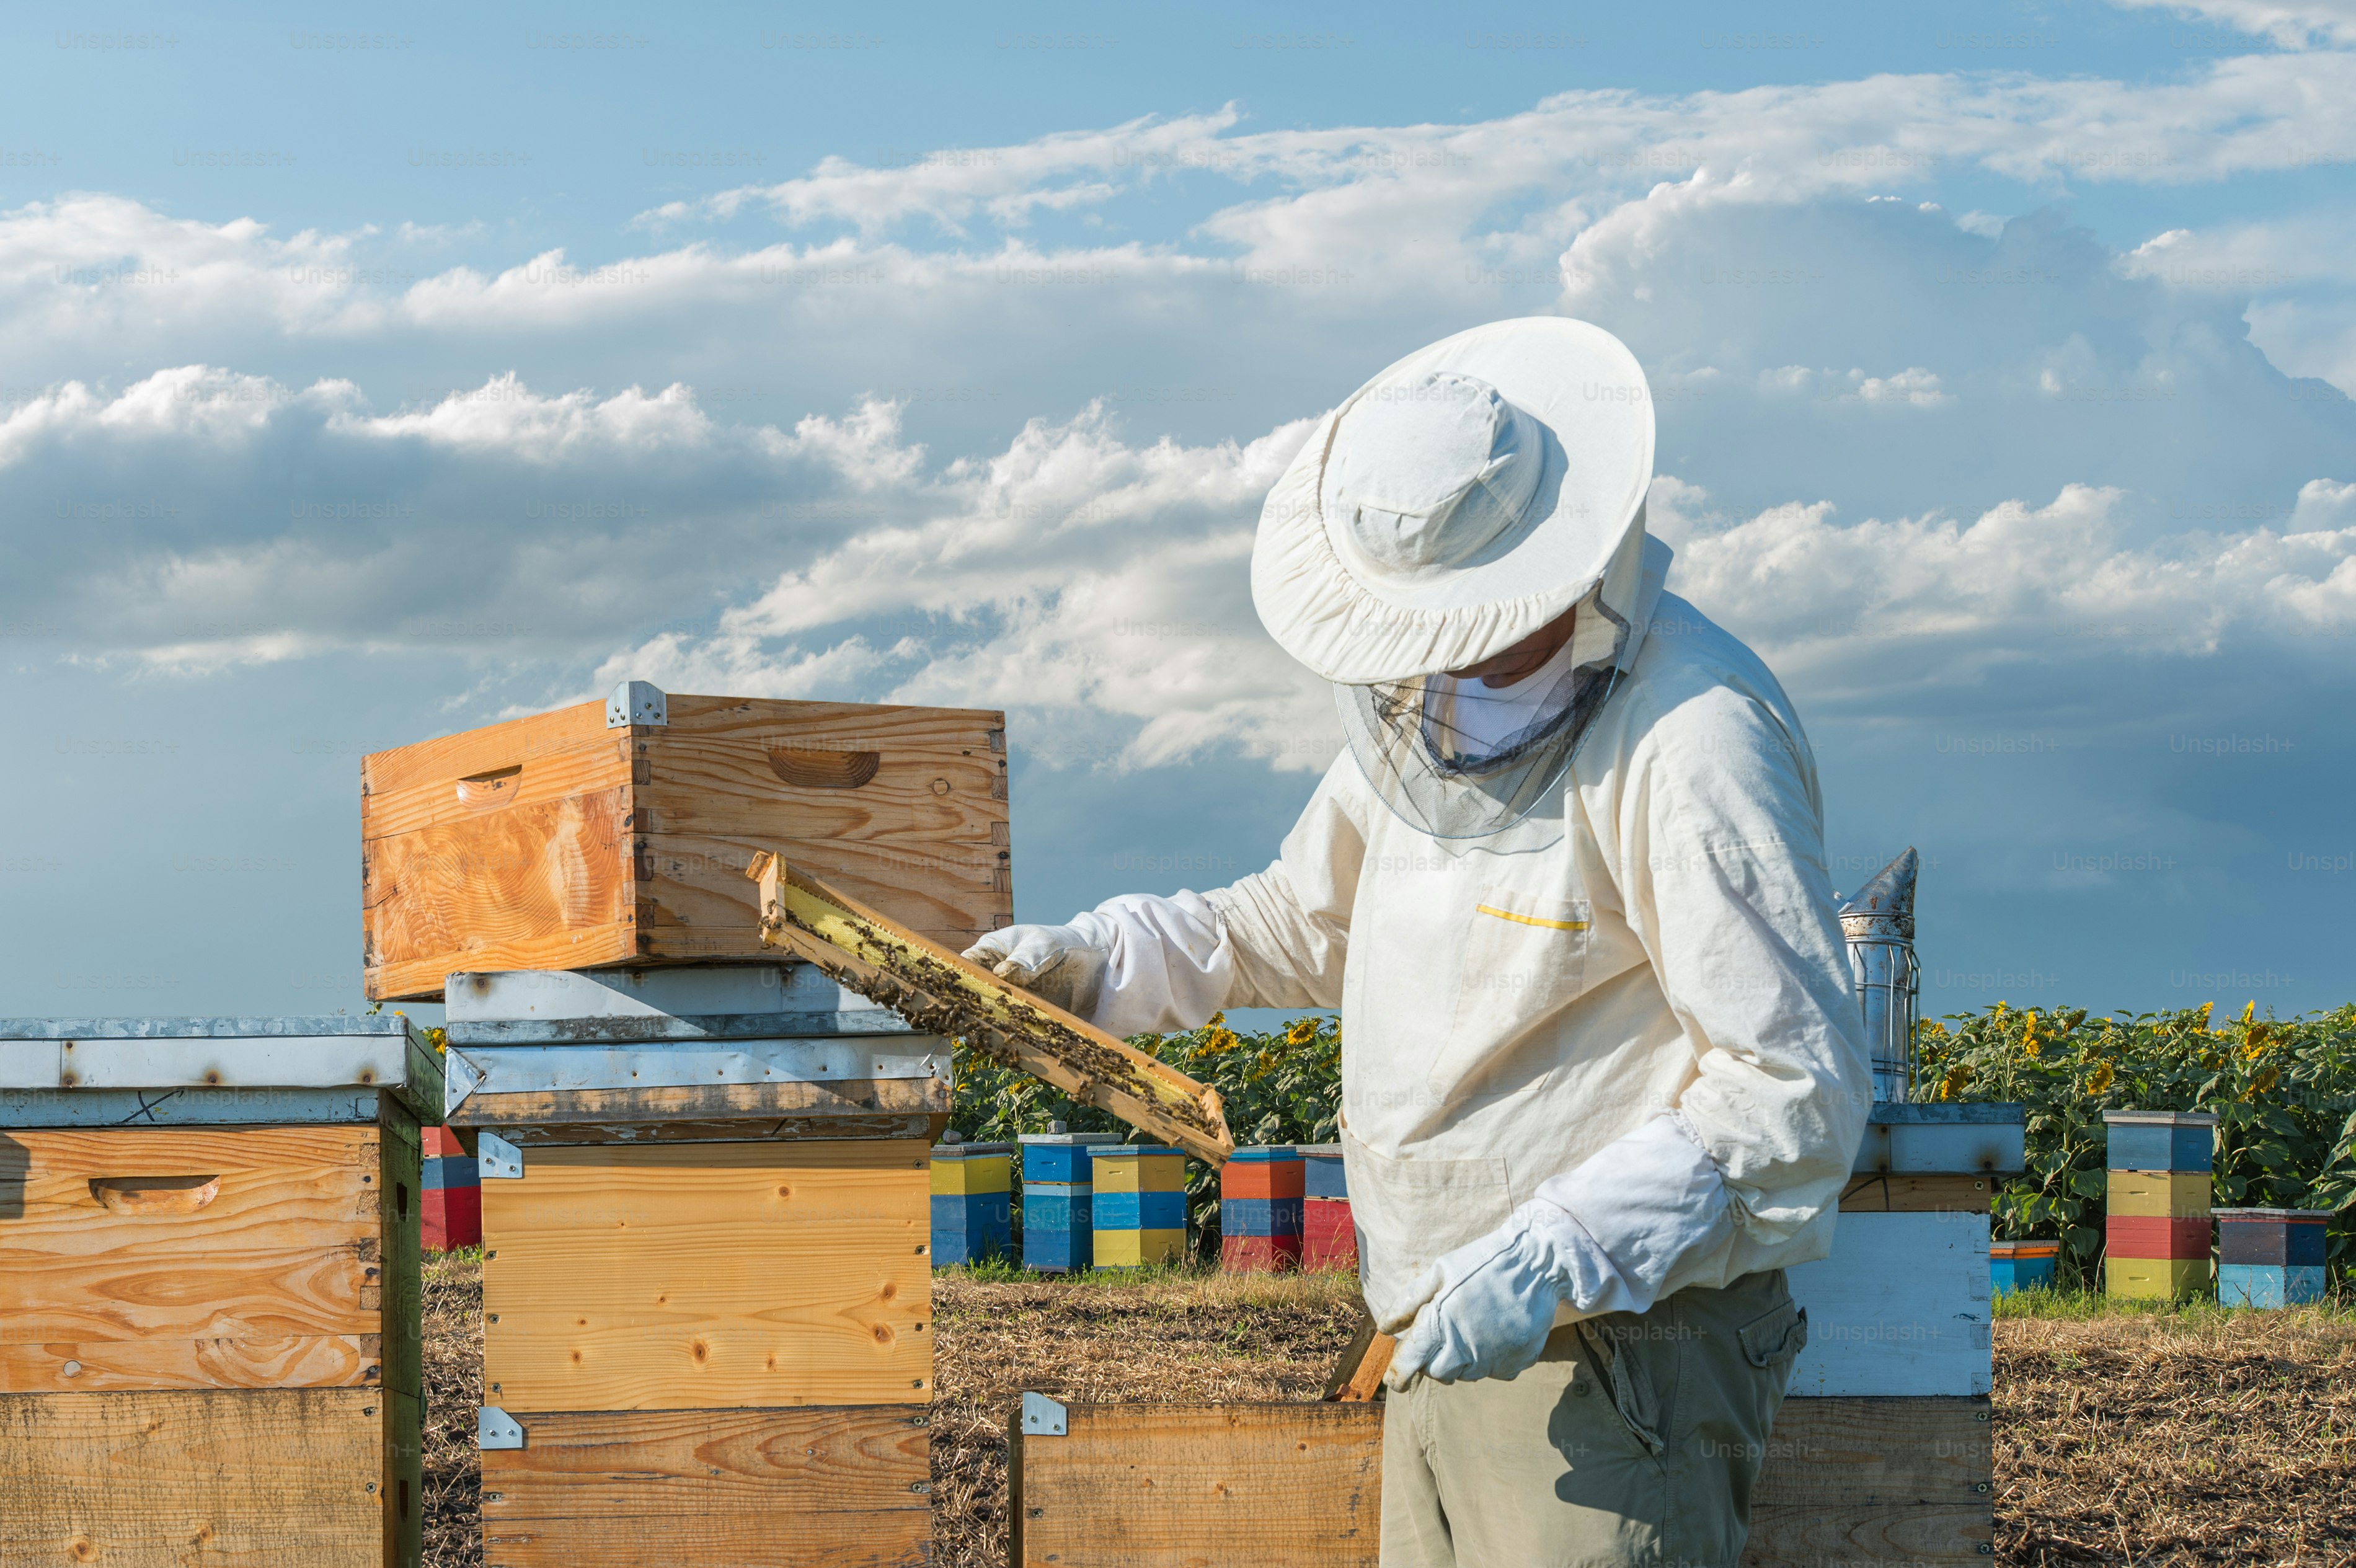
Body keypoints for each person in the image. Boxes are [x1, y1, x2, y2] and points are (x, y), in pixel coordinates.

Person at [965, 317, 1870, 1568]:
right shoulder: (1435, 708)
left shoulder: (1693, 737)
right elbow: (1298, 918)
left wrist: (1557, 1253)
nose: (1426, 658)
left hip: (1616, 1351)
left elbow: (1792, 1092)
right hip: (1436, 1324)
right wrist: (1098, 961)